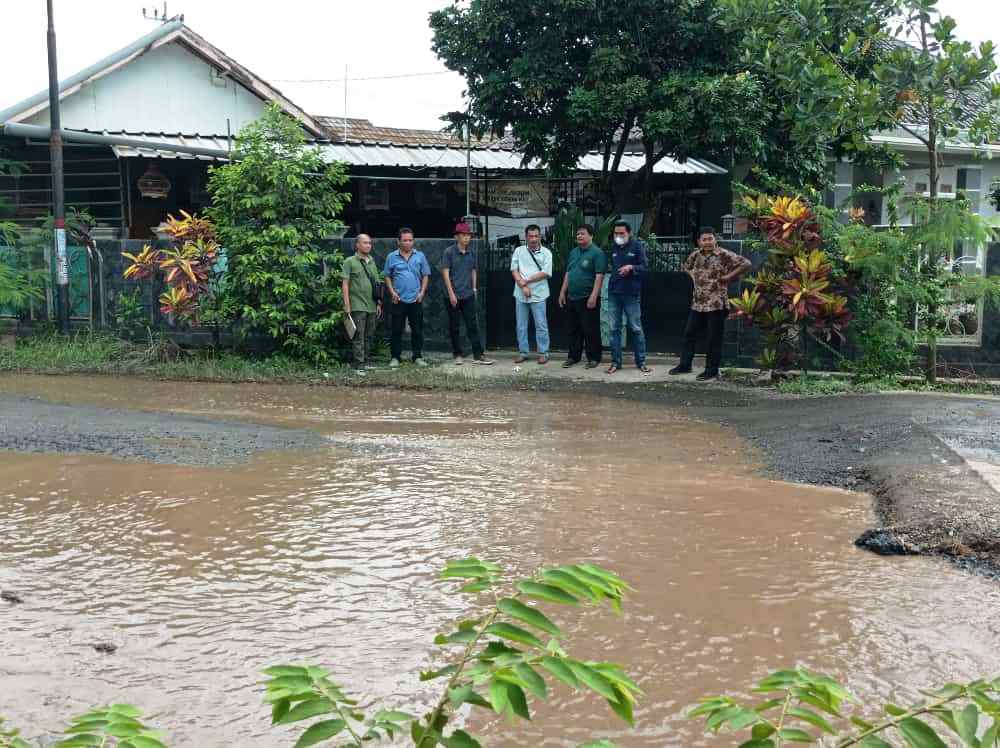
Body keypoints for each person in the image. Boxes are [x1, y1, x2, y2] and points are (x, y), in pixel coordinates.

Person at [671, 226, 752, 381]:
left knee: (713, 338)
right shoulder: (695, 255)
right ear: (699, 241)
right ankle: (685, 365)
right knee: (689, 334)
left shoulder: (724, 254)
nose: (707, 242)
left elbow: (746, 264)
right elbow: (686, 267)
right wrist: (694, 277)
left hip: (716, 303)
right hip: (698, 303)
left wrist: (729, 276)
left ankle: (711, 370)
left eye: (710, 238)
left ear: (715, 239)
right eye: (704, 239)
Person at [441, 222, 494, 366]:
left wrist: (474, 289)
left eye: (468, 236)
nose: (466, 238)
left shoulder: (471, 252)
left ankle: (478, 355)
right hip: (452, 295)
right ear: (456, 237)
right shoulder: (449, 252)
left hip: (468, 294)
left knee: (472, 325)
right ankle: (457, 354)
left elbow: (473, 270)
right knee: (455, 326)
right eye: (463, 235)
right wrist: (451, 294)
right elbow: (445, 273)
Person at [558, 223, 606, 368]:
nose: (579, 236)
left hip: (588, 298)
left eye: (582, 233)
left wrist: (594, 296)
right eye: (578, 234)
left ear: (591, 235)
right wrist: (562, 292)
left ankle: (594, 358)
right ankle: (573, 357)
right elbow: (568, 273)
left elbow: (599, 276)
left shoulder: (597, 253)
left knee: (590, 329)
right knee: (573, 329)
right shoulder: (573, 252)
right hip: (572, 297)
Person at [607, 221, 651, 375]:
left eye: (621, 233)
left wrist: (631, 268)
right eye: (616, 233)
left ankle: (641, 362)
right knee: (614, 329)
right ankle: (615, 362)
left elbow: (645, 266)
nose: (618, 236)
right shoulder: (612, 247)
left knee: (636, 328)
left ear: (629, 233)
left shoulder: (637, 246)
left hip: (631, 293)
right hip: (614, 292)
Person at [383, 227, 431, 367]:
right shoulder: (391, 257)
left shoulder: (420, 256)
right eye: (405, 240)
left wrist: (422, 292)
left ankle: (417, 356)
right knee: (396, 330)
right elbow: (386, 276)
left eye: (410, 240)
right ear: (398, 241)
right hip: (398, 299)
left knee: (417, 330)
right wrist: (392, 292)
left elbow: (426, 275)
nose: (408, 243)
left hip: (416, 299)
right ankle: (395, 357)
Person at [510, 224, 553, 364]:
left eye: (536, 236)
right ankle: (523, 352)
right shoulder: (519, 251)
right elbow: (514, 269)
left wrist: (525, 281)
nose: (533, 239)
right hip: (520, 293)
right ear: (526, 237)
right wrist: (522, 285)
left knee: (541, 324)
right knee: (521, 325)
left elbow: (545, 273)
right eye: (530, 236)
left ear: (540, 237)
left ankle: (543, 353)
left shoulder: (547, 253)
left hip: (539, 294)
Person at [341, 233, 383, 373]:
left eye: (369, 243)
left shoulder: (371, 261)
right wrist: (347, 304)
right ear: (357, 245)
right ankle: (358, 364)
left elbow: (377, 284)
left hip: (371, 304)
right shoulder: (350, 261)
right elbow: (345, 284)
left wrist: (378, 303)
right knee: (358, 335)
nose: (368, 245)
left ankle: (366, 360)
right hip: (357, 304)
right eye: (365, 243)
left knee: (369, 334)